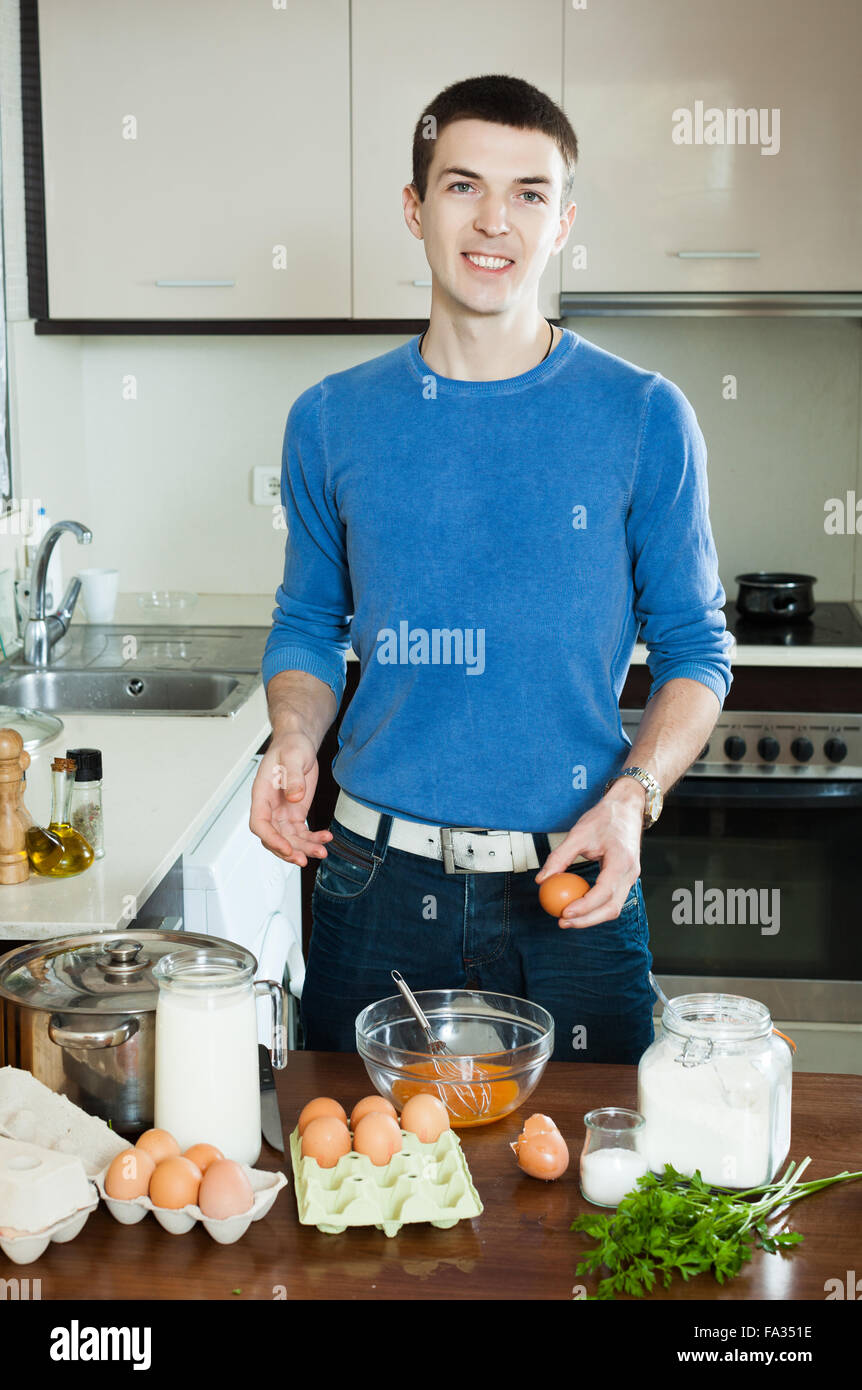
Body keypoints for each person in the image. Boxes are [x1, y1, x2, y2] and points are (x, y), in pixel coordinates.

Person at [250, 74, 732, 1063]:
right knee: (362, 1190)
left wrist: (633, 796)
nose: (494, 220)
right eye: (463, 185)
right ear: (414, 207)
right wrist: (291, 735)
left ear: (561, 224)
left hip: (571, 879)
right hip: (371, 885)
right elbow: (308, 624)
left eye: (529, 193)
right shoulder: (332, 418)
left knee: (597, 1188)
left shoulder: (643, 415)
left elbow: (694, 648)